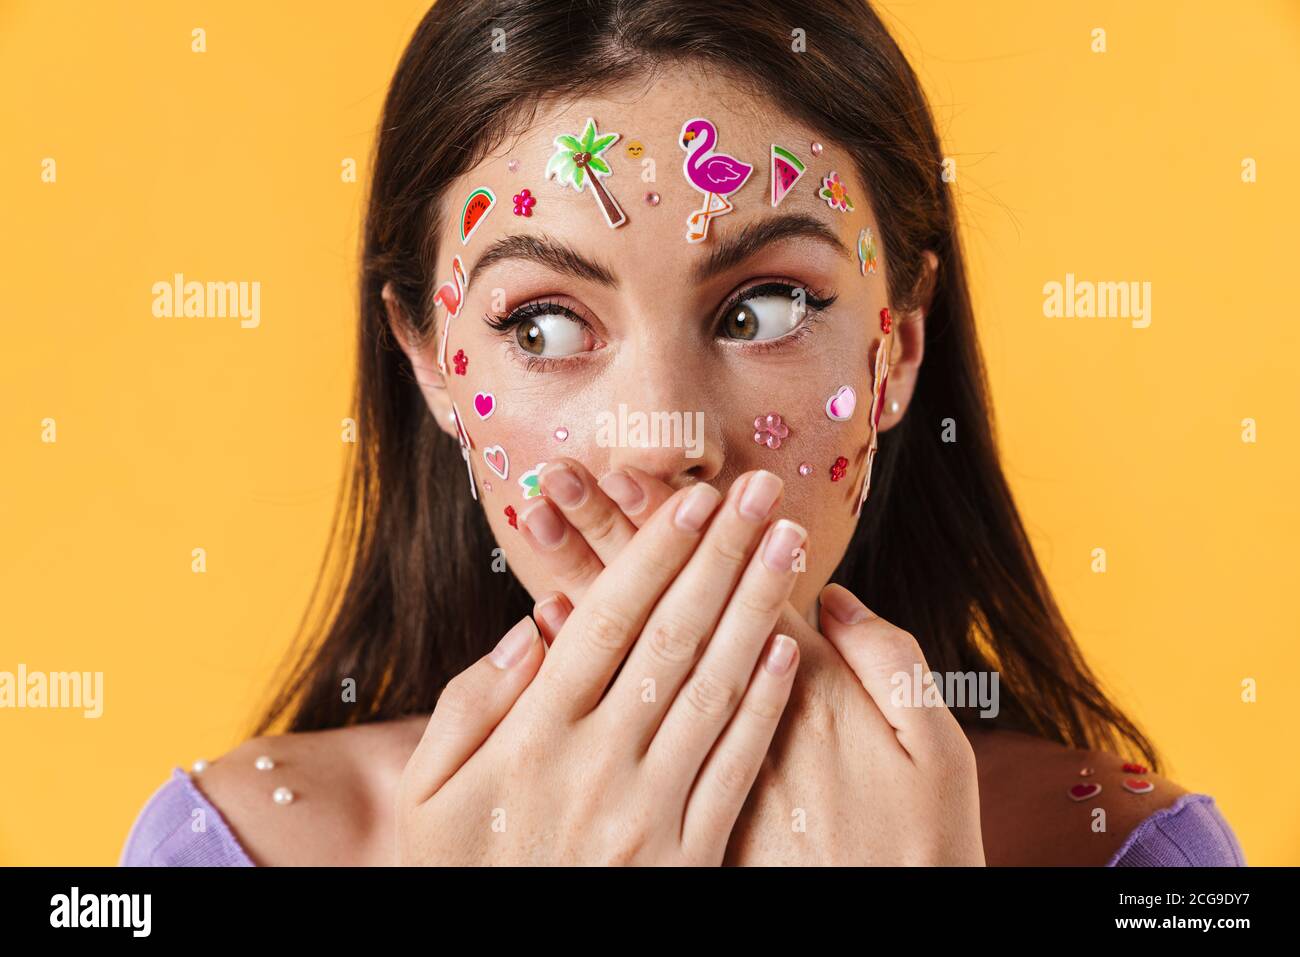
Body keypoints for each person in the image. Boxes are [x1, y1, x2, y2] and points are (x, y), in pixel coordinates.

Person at [119, 0, 1245, 866]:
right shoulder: (229, 847)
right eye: (545, 322)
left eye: (763, 309)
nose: (664, 437)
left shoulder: (1138, 861)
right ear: (430, 366)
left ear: (898, 345)